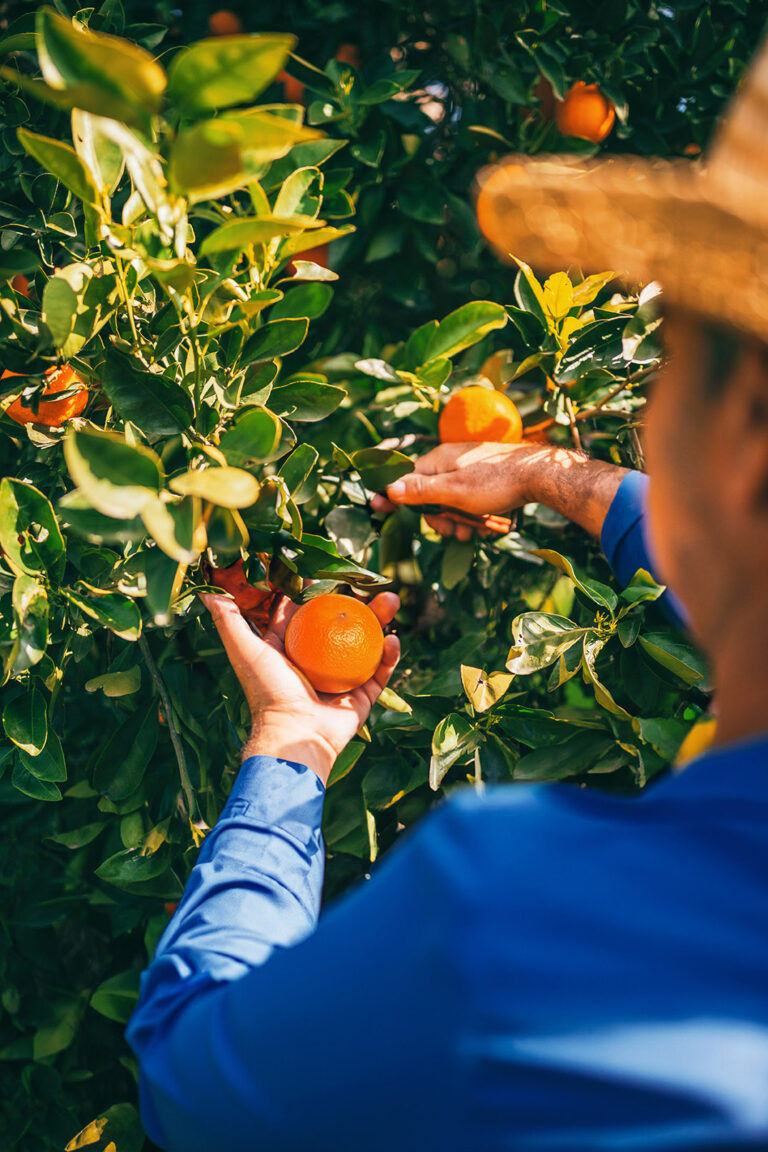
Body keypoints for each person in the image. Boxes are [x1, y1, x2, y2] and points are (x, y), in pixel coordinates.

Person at [126, 41, 768, 1152]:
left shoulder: (517, 935)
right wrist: (546, 471)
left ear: (740, 445)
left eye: (668, 370)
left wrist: (289, 746)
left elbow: (194, 1082)